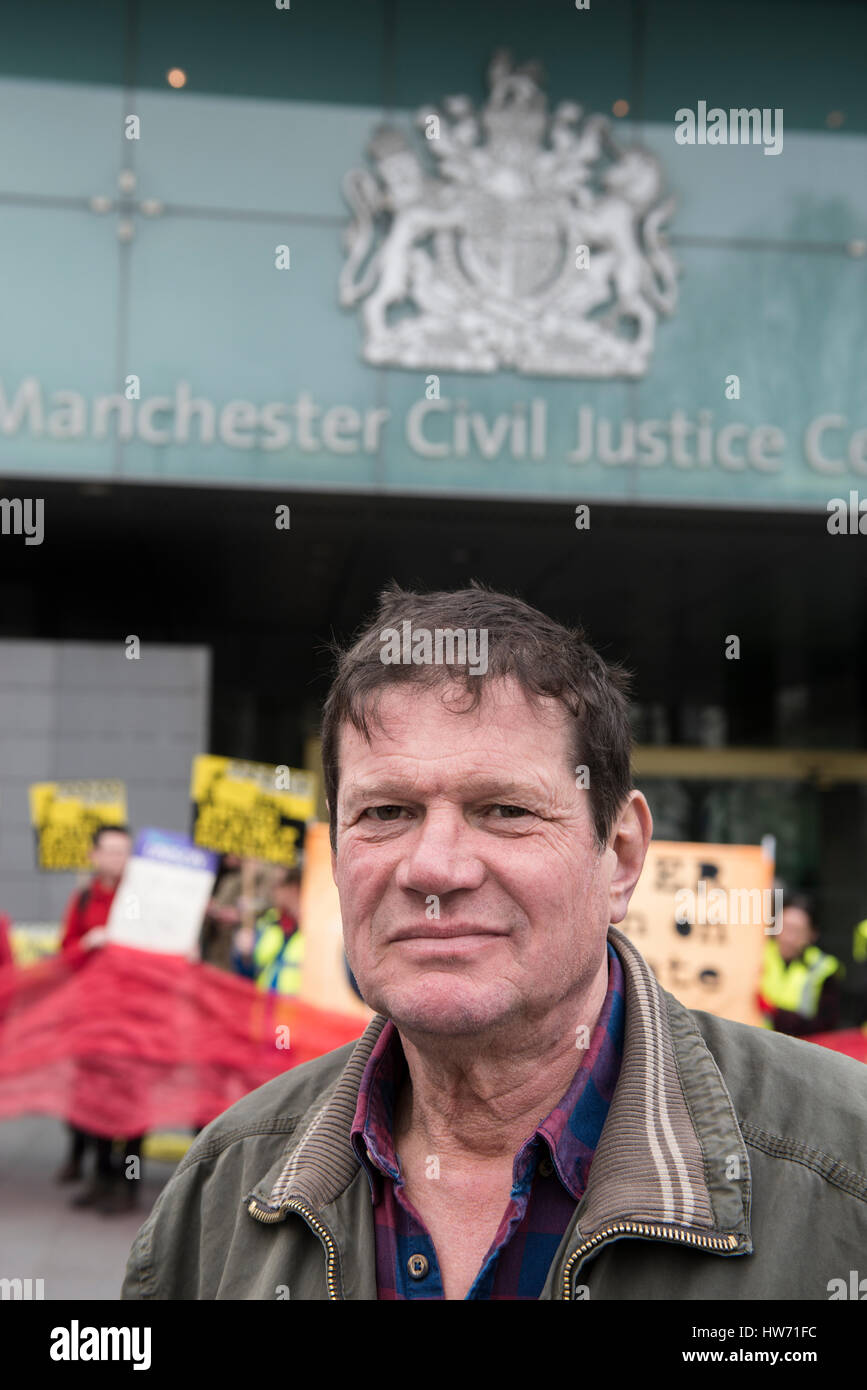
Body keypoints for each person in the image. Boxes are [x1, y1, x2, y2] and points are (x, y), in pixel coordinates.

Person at [123, 584, 867, 1300]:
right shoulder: (223, 1186)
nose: (434, 868)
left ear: (622, 856)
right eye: (385, 811)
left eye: (504, 809)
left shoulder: (843, 1171)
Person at [57, 823, 143, 1214]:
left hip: (137, 1018)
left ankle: (128, 1183)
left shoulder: (143, 899)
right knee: (96, 1097)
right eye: (109, 850)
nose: (117, 858)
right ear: (94, 855)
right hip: (94, 1017)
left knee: (133, 1101)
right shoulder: (82, 900)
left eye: (124, 851)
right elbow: (64, 957)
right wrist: (87, 943)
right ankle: (101, 1175)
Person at [759, 892, 843, 1036]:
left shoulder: (824, 968)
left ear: (812, 935)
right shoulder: (756, 955)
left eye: (796, 931)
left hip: (799, 1049)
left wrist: (774, 1013)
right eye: (783, 927)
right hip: (751, 1044)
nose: (788, 937)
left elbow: (826, 1026)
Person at [245, 864, 304, 996]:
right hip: (264, 1005)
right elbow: (248, 971)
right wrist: (242, 954)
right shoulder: (268, 920)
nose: (273, 891)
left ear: (294, 887)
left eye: (278, 885)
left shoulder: (314, 925)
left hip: (295, 1009)